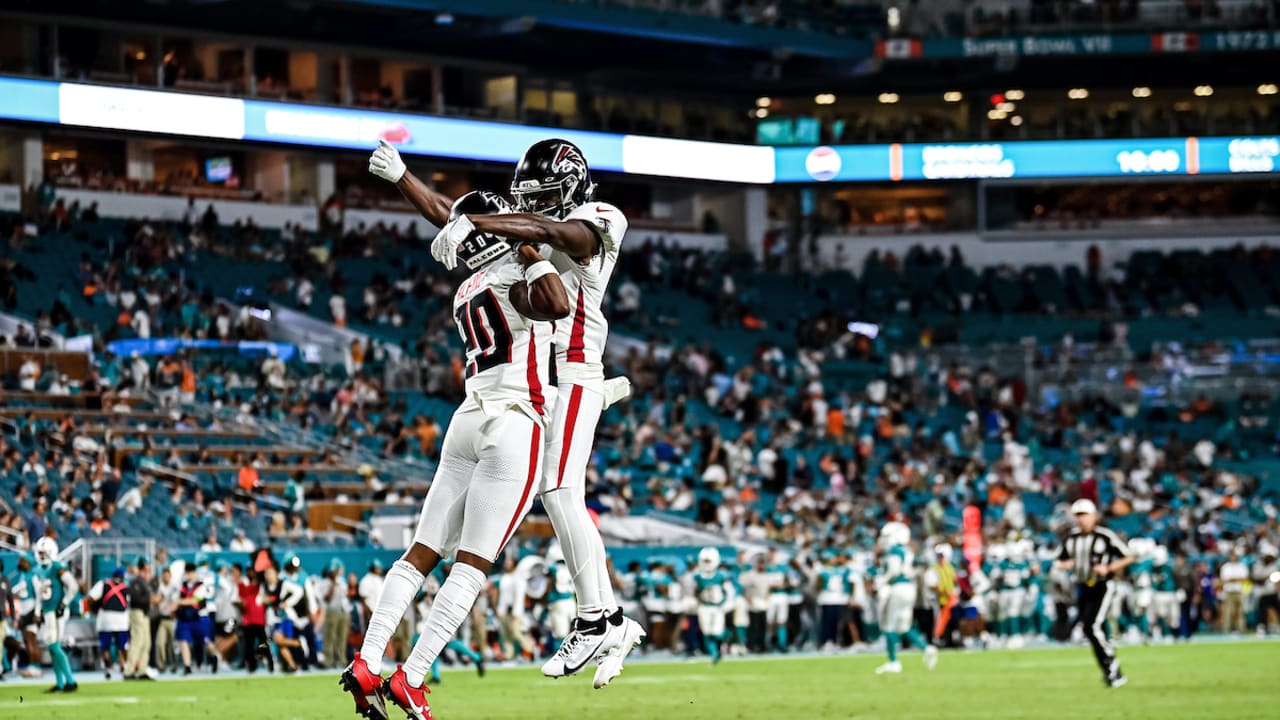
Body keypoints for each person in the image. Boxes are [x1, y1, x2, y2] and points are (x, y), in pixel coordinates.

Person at [372, 137, 643, 686]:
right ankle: (611, 620)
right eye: (529, 196)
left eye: (543, 195)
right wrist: (404, 177)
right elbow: (459, 223)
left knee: (559, 491)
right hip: (542, 380)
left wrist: (478, 222)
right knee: (556, 491)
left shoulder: (599, 216)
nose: (533, 205)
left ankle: (598, 619)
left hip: (572, 370)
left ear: (569, 188)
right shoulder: (523, 231)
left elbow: (548, 232)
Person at [342, 190, 571, 720]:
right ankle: (412, 676)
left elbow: (454, 213)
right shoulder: (513, 278)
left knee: (420, 552)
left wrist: (403, 180)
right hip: (514, 419)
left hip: (466, 418)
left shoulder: (467, 287)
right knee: (471, 565)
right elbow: (556, 303)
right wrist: (530, 250)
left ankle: (367, 660)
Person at [1055, 499, 1134, 688]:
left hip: (1102, 585)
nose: (1082, 519)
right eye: (1079, 516)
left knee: (1092, 626)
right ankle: (1110, 670)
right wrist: (1065, 564)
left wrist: (1109, 568)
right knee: (1089, 629)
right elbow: (1059, 560)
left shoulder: (1104, 536)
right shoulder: (1072, 538)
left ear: (1094, 516)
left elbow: (1128, 556)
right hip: (1083, 586)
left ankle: (1111, 664)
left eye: (1085, 515)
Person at [873, 522, 937, 674]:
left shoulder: (894, 550)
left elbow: (894, 571)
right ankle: (927, 648)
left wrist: (881, 582)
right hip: (909, 588)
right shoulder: (907, 551)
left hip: (898, 587)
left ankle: (893, 662)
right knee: (903, 627)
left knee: (888, 625)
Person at [34, 537, 80, 692]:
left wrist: (64, 603)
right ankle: (60, 683)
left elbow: (73, 586)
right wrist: (38, 611)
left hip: (57, 611)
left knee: (53, 646)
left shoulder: (57, 567)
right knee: (52, 647)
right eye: (40, 553)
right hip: (47, 610)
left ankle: (70, 681)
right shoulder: (39, 570)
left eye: (44, 553)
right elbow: (39, 594)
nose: (41, 556)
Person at [87, 567, 131, 679]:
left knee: (105, 645)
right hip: (122, 619)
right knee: (122, 645)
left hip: (105, 617)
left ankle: (108, 667)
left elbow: (90, 598)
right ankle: (123, 665)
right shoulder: (126, 587)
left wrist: (94, 609)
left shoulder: (103, 584)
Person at [692, 547, 733, 664]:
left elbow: (729, 591)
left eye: (708, 561)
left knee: (716, 632)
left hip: (717, 606)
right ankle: (714, 654)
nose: (707, 564)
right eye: (705, 561)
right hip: (704, 606)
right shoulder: (698, 577)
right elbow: (695, 592)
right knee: (707, 632)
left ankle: (727, 635)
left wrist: (726, 604)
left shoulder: (721, 576)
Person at [124, 558, 154, 680]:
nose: (149, 572)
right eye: (147, 569)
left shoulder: (144, 582)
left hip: (145, 613)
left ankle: (142, 669)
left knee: (146, 642)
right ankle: (129, 670)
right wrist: (150, 600)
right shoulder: (136, 581)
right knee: (137, 641)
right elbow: (135, 599)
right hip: (137, 612)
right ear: (142, 569)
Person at [320, 560, 352, 668]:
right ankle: (328, 660)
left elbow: (345, 596)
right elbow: (327, 598)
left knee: (342, 637)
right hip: (332, 612)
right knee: (330, 637)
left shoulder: (342, 581)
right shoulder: (324, 583)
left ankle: (342, 660)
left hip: (343, 611)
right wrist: (333, 584)